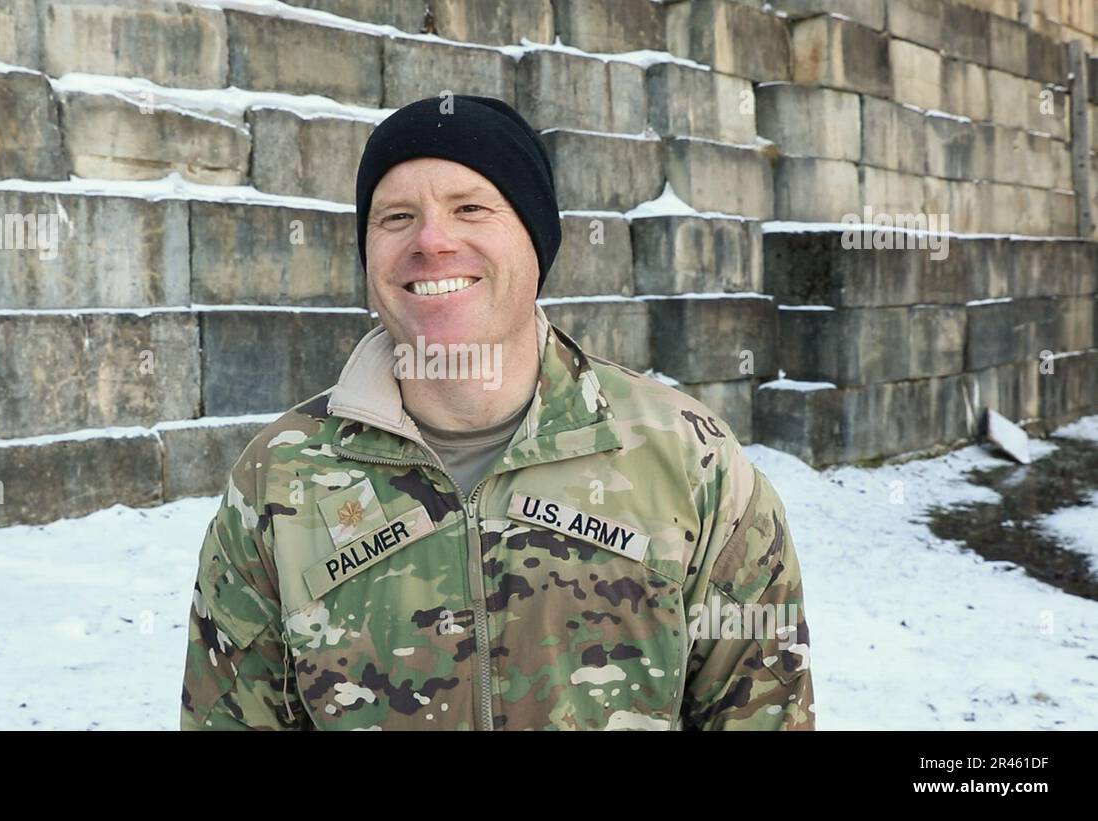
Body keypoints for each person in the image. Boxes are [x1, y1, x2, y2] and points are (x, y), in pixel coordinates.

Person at [180, 94, 814, 730]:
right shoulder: (277, 477)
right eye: (396, 216)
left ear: (535, 241)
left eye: (471, 208)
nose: (431, 240)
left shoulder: (688, 459)